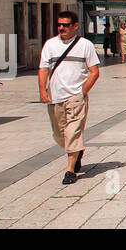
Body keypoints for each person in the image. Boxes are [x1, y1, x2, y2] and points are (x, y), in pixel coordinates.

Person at [38, 10, 101, 185]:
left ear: (75, 26)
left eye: (65, 25)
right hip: (55, 97)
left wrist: (83, 91)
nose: (61, 28)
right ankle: (77, 151)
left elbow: (95, 72)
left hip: (76, 97)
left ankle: (70, 170)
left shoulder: (85, 45)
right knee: (59, 134)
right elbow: (43, 69)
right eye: (59, 24)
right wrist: (43, 91)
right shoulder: (50, 45)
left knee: (73, 132)